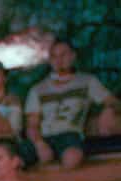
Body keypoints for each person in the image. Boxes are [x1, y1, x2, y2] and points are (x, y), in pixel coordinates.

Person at [23, 39, 120, 169]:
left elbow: (113, 102)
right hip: (43, 137)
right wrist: (39, 144)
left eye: (63, 55)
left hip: (69, 135)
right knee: (16, 159)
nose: (59, 60)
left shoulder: (87, 81)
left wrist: (108, 110)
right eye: (54, 56)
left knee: (71, 158)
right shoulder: (38, 89)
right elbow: (32, 124)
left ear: (72, 56)